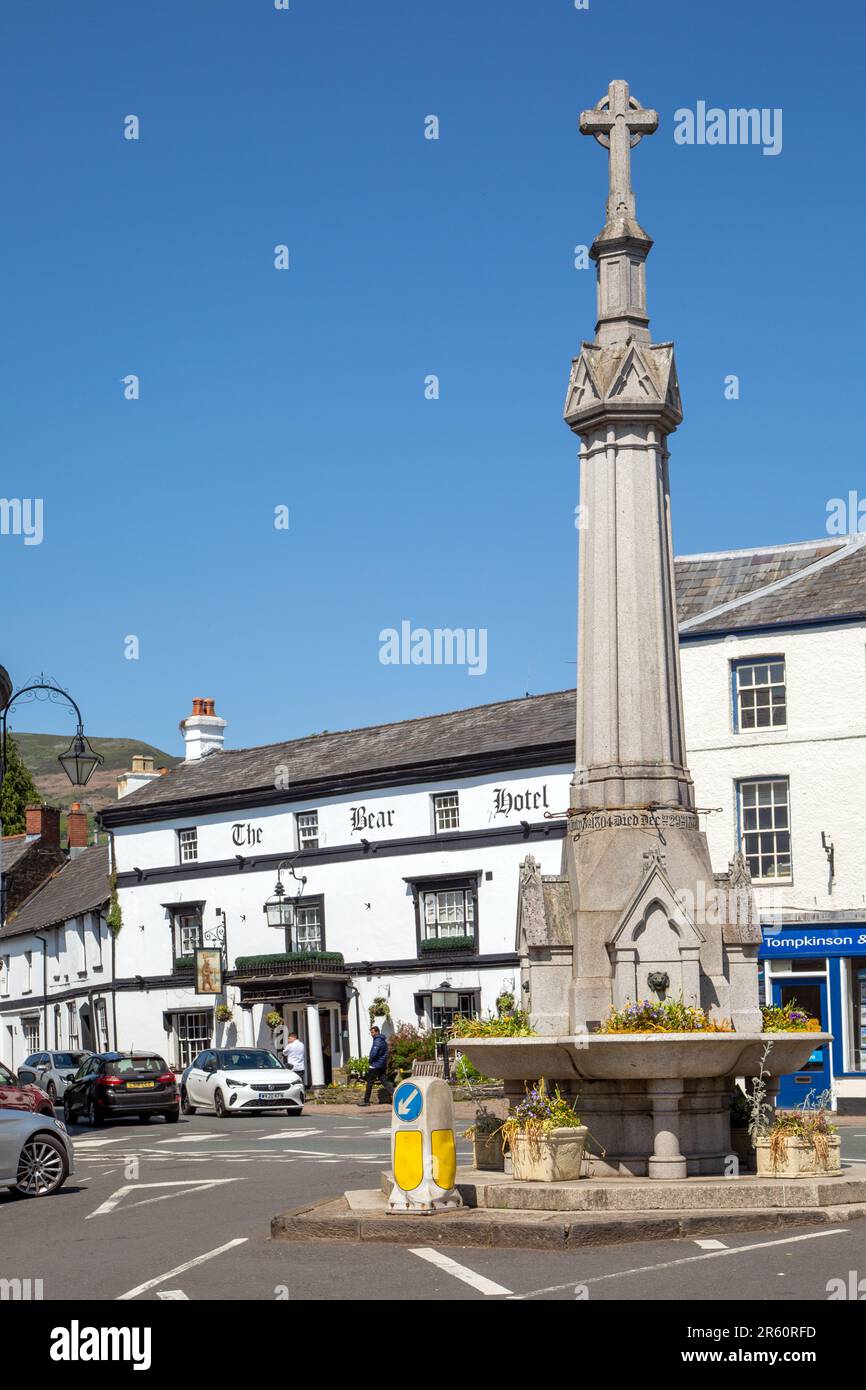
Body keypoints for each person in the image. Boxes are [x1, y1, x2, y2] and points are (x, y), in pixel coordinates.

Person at [357, 1026, 392, 1106]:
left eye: (372, 1032)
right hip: (382, 1065)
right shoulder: (382, 1040)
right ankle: (396, 1094)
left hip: (376, 1065)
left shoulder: (378, 1040)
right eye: (371, 1033)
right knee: (384, 1081)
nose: (371, 1034)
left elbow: (374, 1053)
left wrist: (370, 1061)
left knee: (369, 1082)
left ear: (377, 1032)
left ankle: (366, 1101)